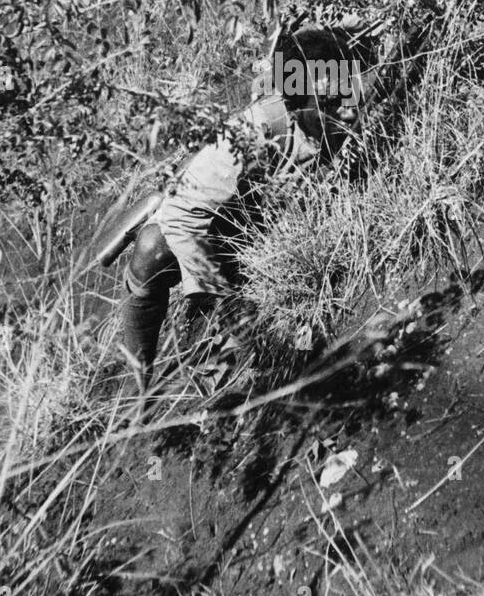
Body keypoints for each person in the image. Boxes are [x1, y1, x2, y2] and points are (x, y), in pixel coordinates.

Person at [121, 26, 361, 372]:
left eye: (347, 94)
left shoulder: (332, 82)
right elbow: (180, 219)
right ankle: (138, 373)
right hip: (224, 228)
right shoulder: (251, 135)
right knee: (152, 248)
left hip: (270, 223)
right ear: (294, 107)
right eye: (332, 104)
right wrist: (231, 306)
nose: (349, 112)